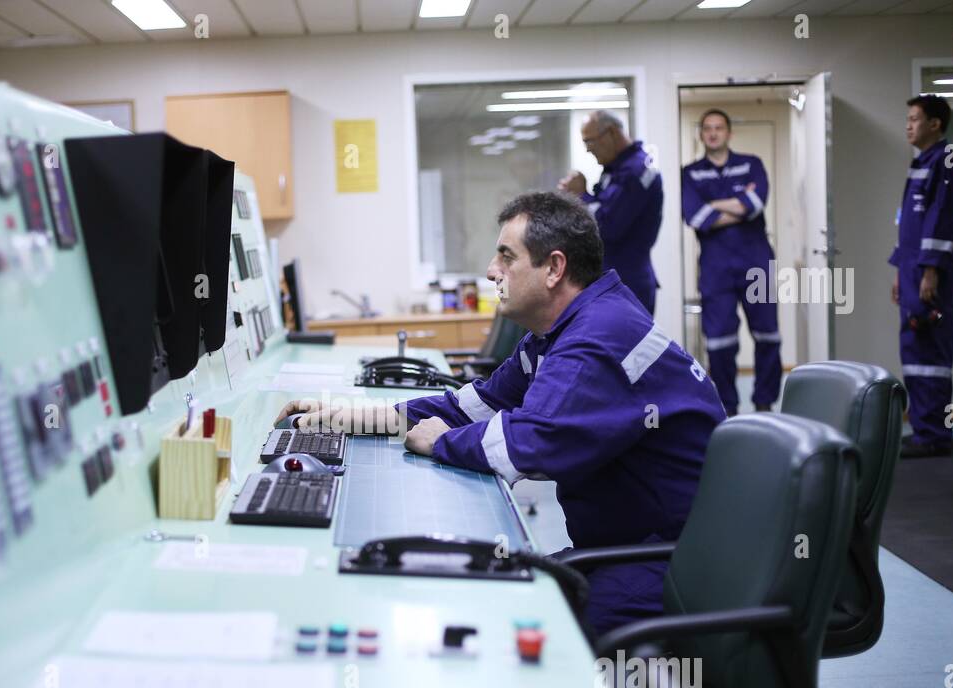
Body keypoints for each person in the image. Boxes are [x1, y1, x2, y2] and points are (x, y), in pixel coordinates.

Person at [278, 192, 725, 633]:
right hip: (625, 547)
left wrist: (439, 441)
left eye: (506, 257)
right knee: (498, 597)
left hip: (669, 560)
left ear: (554, 268)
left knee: (517, 628)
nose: (492, 271)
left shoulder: (598, 336)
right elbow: (470, 407)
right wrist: (347, 417)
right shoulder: (555, 335)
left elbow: (529, 445)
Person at [681, 108, 781, 416]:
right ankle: (728, 407)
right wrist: (735, 206)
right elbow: (696, 217)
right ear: (701, 134)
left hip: (757, 262)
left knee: (768, 335)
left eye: (719, 128)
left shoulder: (751, 164)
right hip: (716, 268)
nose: (713, 133)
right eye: (707, 128)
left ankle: (764, 402)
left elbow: (754, 204)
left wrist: (713, 206)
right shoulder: (690, 173)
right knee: (720, 342)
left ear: (729, 133)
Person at [890, 94, 953, 457]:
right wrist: (900, 270)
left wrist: (931, 269)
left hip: (932, 273)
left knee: (932, 352)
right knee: (914, 349)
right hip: (912, 269)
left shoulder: (945, 159)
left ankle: (935, 435)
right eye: (907, 118)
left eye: (915, 119)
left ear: (935, 124)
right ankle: (922, 429)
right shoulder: (920, 162)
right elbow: (908, 223)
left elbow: (943, 217)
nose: (908, 124)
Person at [558, 109, 663, 315]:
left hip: (628, 282)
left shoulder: (637, 171)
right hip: (612, 278)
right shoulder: (616, 169)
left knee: (625, 346)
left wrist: (581, 195)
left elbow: (609, 226)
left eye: (590, 141)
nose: (588, 150)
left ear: (612, 133)